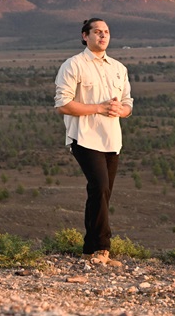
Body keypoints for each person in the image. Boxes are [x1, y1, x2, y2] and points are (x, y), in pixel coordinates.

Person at [55, 18, 133, 267]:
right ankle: (102, 249)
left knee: (101, 193)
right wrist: (98, 108)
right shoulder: (73, 65)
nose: (103, 36)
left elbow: (128, 102)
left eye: (107, 32)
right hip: (84, 136)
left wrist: (121, 110)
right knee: (99, 187)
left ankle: (89, 249)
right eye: (97, 32)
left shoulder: (119, 68)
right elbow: (63, 105)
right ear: (84, 36)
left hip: (112, 139)